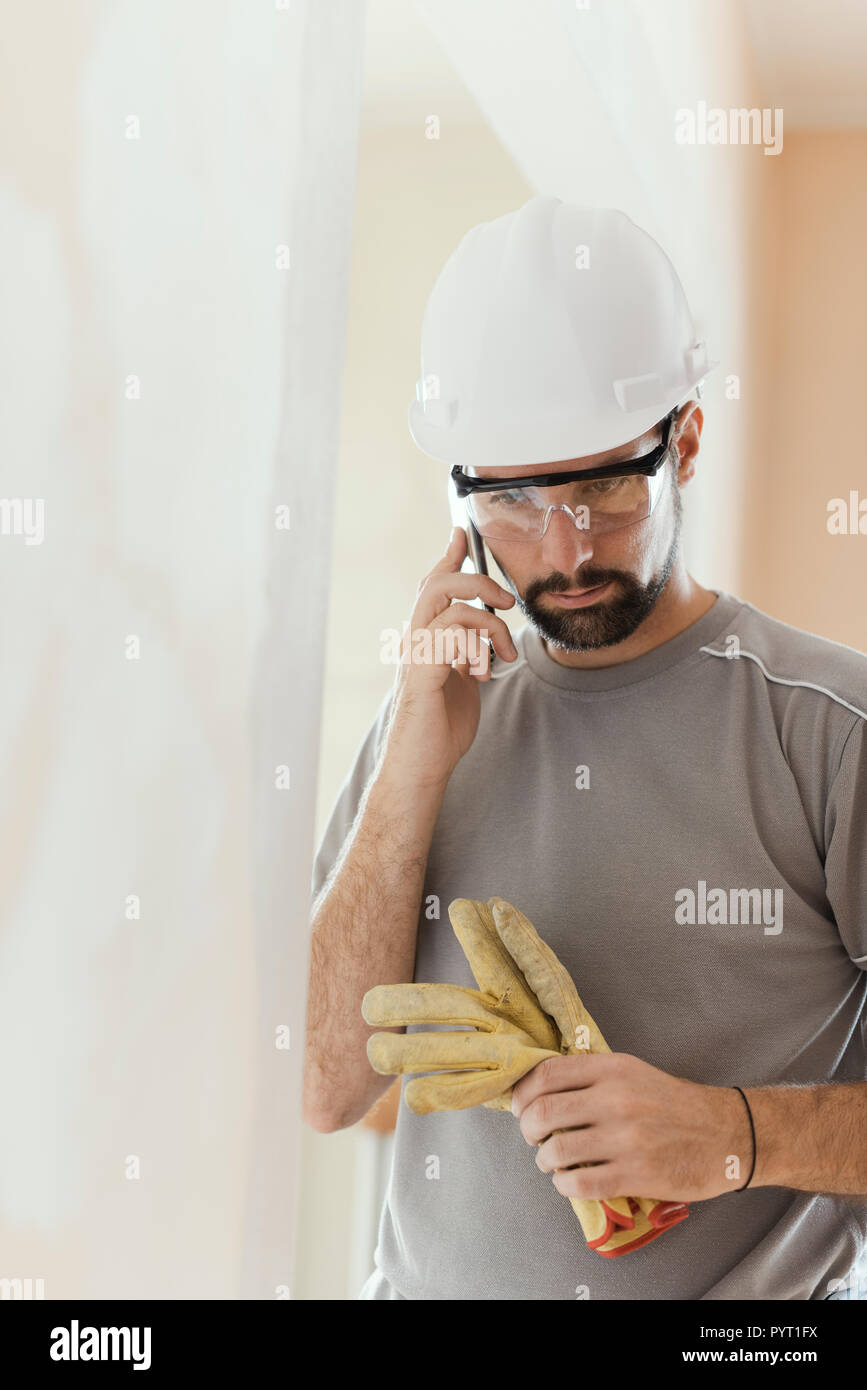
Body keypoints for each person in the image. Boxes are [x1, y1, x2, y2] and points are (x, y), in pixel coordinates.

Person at [303, 197, 867, 1300]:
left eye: (607, 484)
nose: (565, 547)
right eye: (514, 498)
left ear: (685, 443)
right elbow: (326, 1086)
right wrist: (415, 764)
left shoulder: (827, 730)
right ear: (462, 497)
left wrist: (729, 1133)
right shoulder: (425, 721)